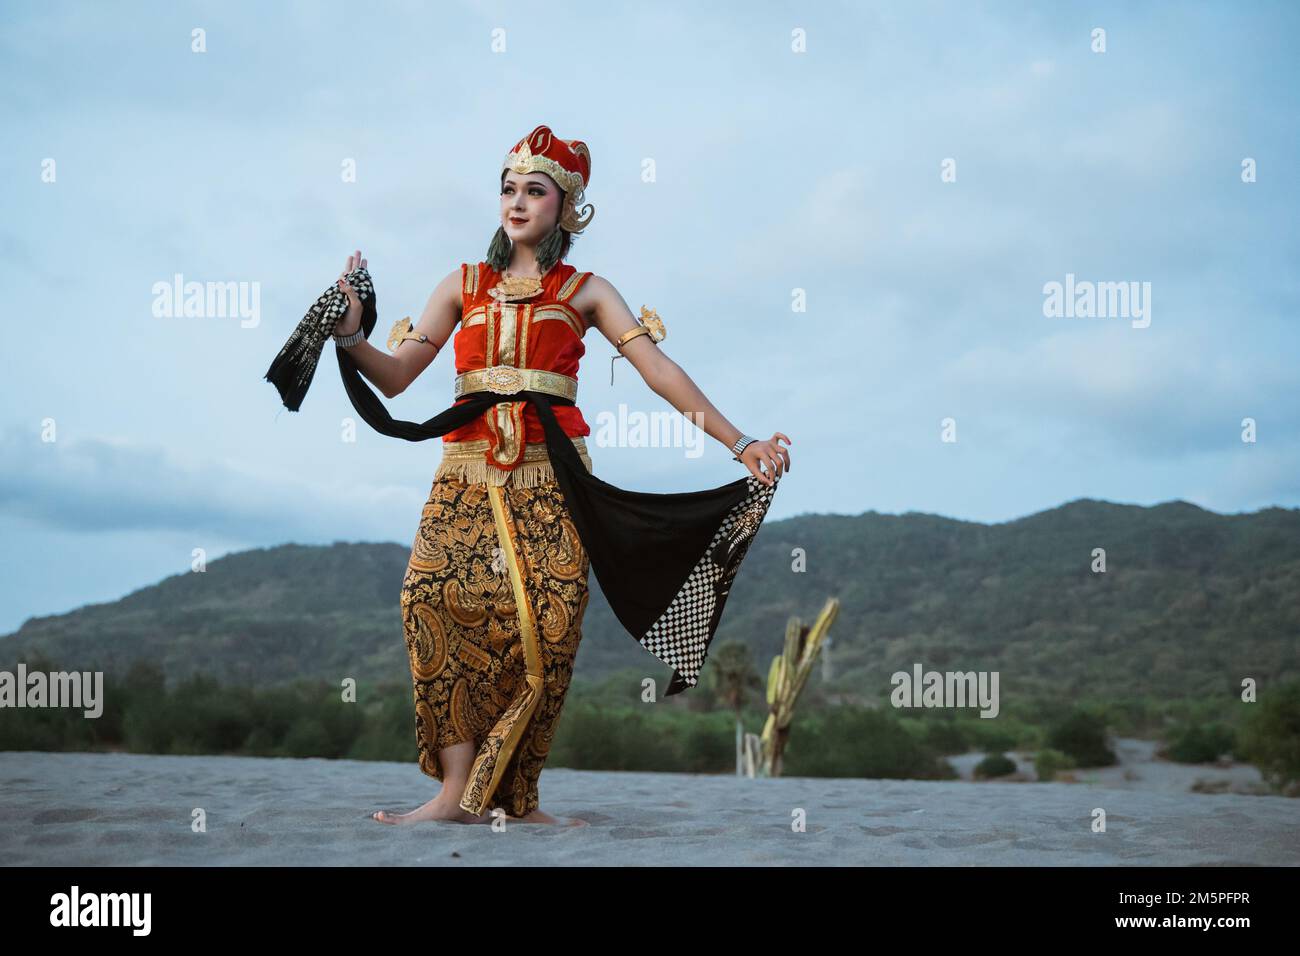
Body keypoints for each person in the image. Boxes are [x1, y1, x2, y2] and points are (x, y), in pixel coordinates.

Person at [326, 125, 791, 826]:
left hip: (552, 480)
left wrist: (740, 440)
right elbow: (395, 378)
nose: (517, 202)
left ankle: (516, 799)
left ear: (566, 208)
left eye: (535, 191)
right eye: (508, 189)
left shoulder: (586, 291)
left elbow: (658, 370)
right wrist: (350, 333)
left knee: (548, 627)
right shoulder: (462, 285)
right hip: (463, 475)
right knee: (428, 599)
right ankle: (454, 795)